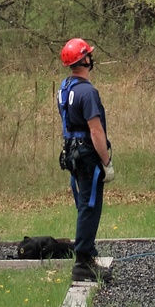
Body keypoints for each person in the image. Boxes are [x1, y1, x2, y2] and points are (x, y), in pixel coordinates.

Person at [57, 38, 114, 284]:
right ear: (85, 60)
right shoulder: (87, 92)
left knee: (83, 204)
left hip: (72, 152)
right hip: (87, 155)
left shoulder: (65, 87)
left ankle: (87, 251)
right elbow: (96, 131)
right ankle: (82, 262)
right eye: (89, 55)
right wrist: (107, 161)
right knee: (90, 207)